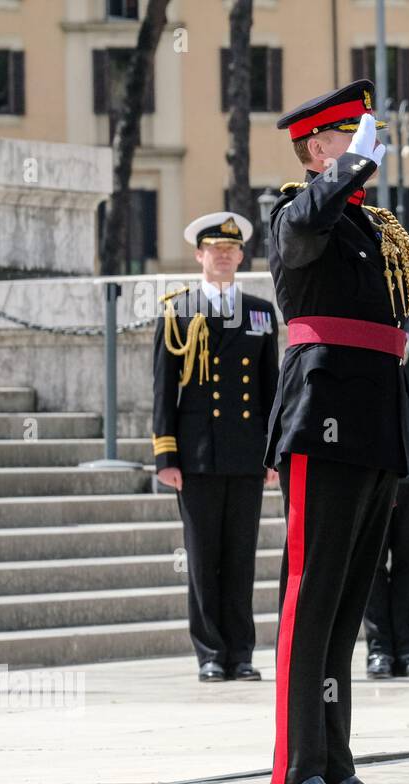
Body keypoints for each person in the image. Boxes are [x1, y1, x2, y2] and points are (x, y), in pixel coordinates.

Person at [266, 79, 409, 784]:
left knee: (349, 603)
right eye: (350, 138)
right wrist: (344, 170)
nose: (368, 148)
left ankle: (337, 760)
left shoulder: (370, 229)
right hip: (319, 418)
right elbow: (305, 226)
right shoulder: (296, 212)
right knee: (310, 598)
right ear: (317, 147)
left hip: (373, 418)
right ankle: (297, 771)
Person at [152, 212, 279, 682]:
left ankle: (241, 653)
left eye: (231, 249)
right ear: (200, 255)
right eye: (214, 249)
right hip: (198, 455)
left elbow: (271, 389)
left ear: (242, 256)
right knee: (203, 559)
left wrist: (272, 453)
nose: (223, 256)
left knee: (241, 557)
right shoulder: (178, 310)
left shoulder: (261, 311)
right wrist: (166, 456)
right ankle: (209, 652)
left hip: (245, 454)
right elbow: (164, 388)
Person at [363, 314, 409, 680]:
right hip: (378, 462)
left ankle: (406, 649)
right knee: (372, 564)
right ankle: (378, 649)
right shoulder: (379, 317)